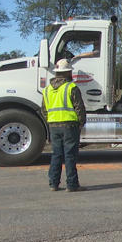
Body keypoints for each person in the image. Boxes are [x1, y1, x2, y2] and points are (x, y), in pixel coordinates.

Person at [41, 59, 87, 192]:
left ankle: (53, 184)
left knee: (56, 154)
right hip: (70, 126)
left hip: (53, 126)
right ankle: (72, 185)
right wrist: (81, 122)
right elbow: (79, 108)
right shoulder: (71, 87)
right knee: (70, 155)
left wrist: (51, 121)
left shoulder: (47, 90)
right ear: (67, 72)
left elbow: (44, 110)